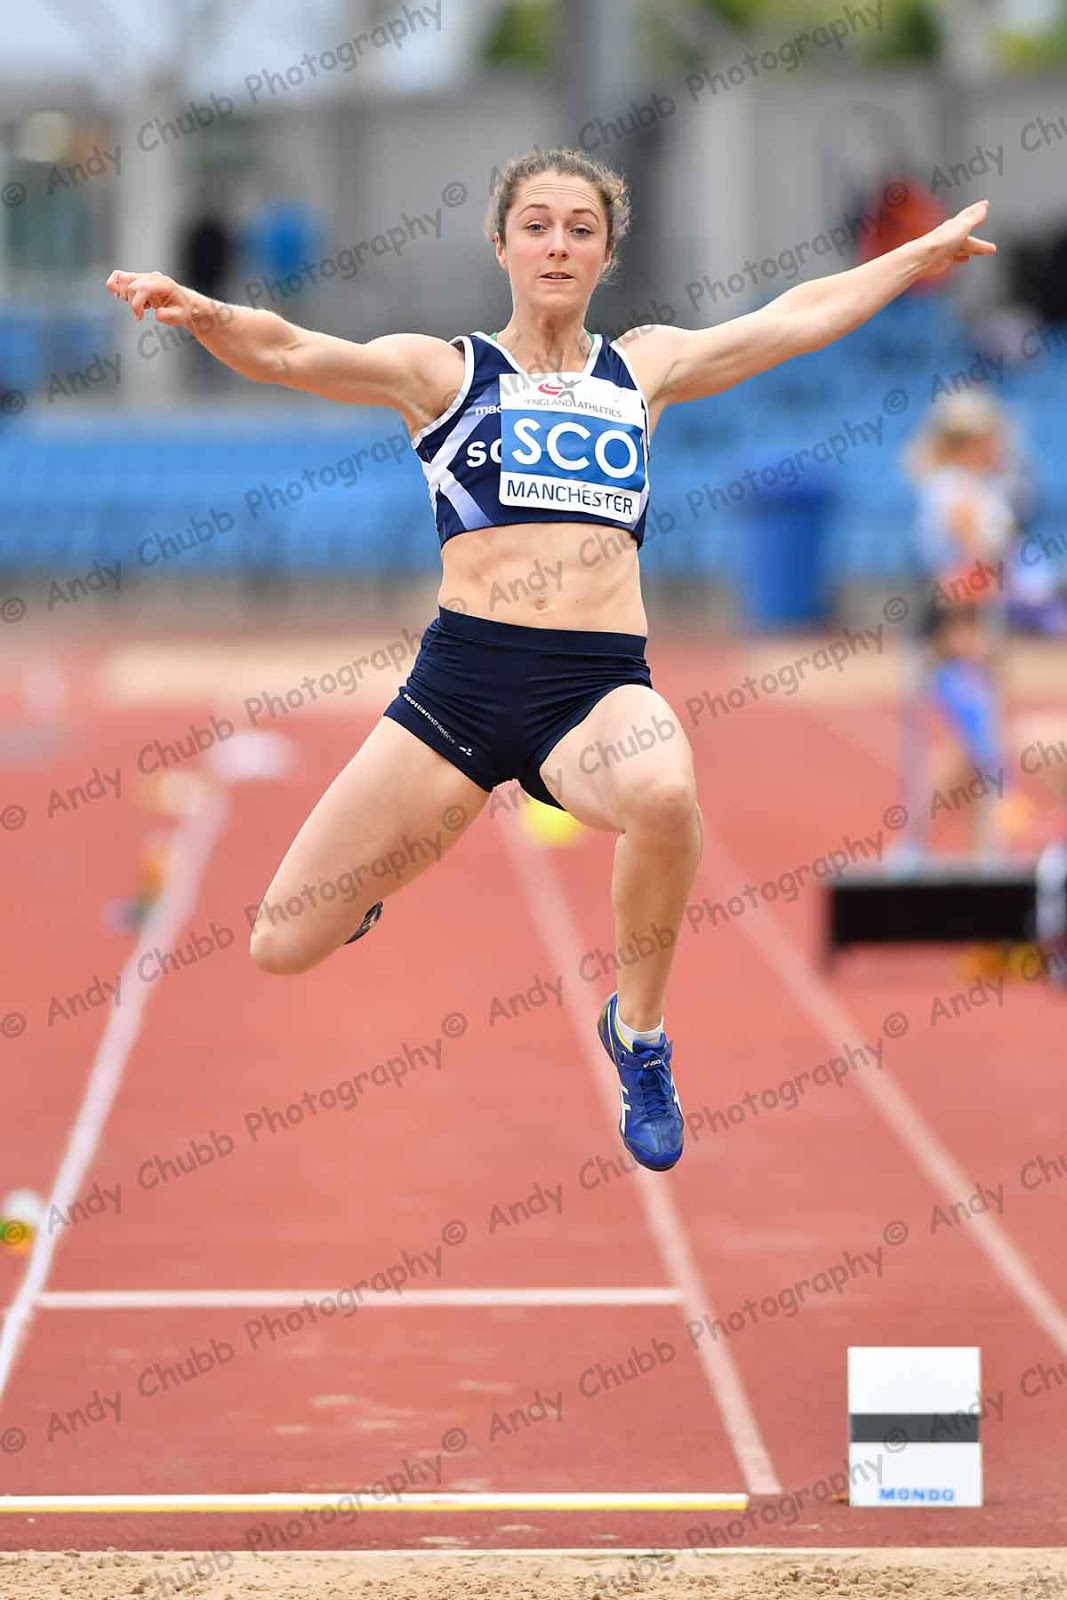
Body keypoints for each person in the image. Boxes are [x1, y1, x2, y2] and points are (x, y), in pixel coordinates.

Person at [106, 148, 995, 1172]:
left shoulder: (641, 368)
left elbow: (790, 319)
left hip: (595, 687)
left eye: (580, 226)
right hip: (458, 691)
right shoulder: (442, 372)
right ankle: (376, 879)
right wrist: (205, 313)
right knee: (280, 943)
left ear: (606, 251)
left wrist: (911, 257)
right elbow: (292, 350)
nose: (557, 242)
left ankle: (640, 1034)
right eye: (536, 224)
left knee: (665, 793)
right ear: (501, 245)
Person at [905, 392, 1030, 851]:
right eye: (992, 437)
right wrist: (965, 632)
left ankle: (978, 853)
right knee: (976, 738)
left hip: (984, 625)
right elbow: (967, 564)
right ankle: (915, 846)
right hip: (954, 629)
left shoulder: (983, 487)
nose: (1001, 445)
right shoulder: (952, 489)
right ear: (969, 441)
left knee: (973, 751)